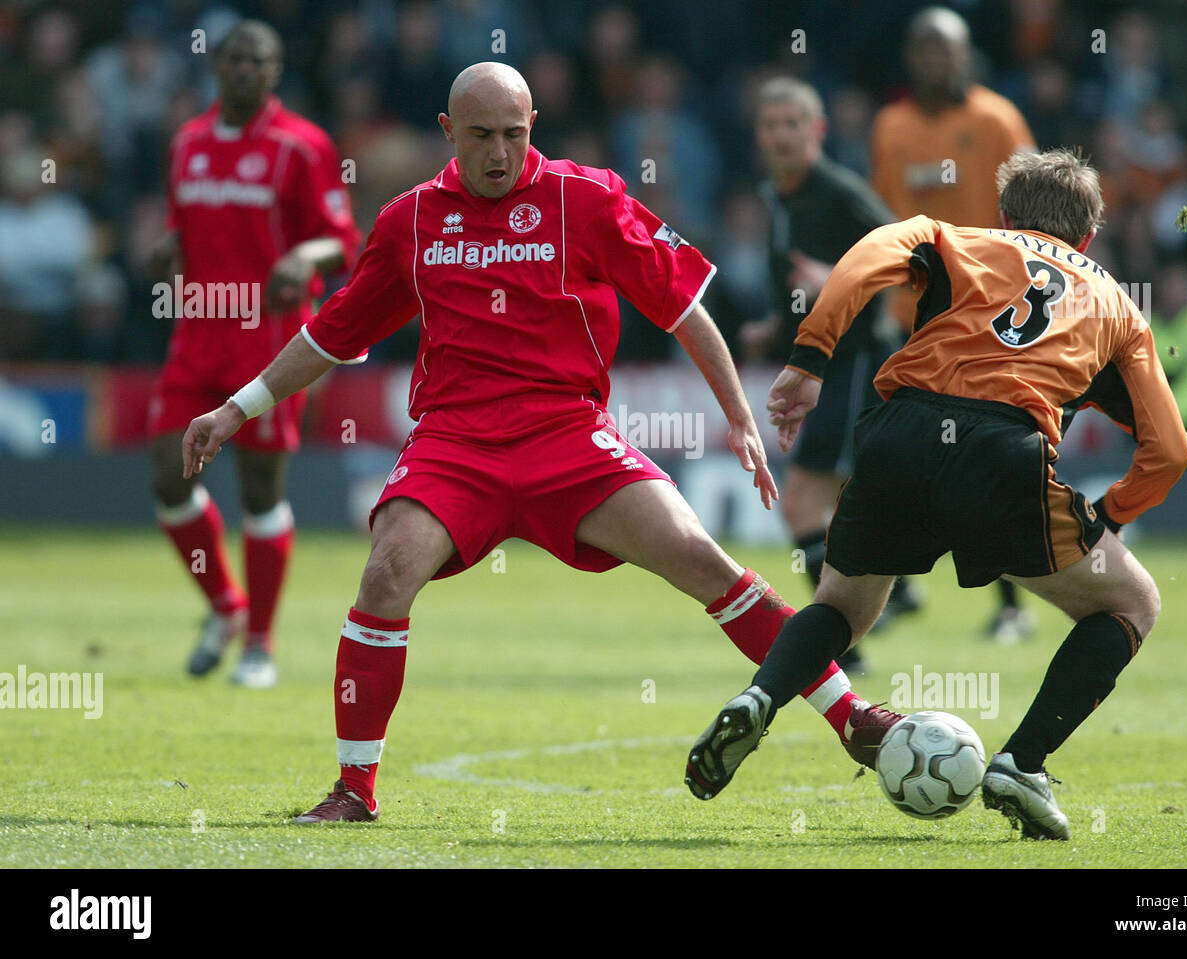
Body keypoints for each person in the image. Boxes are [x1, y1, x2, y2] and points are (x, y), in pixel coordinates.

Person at [181, 62, 900, 823]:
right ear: (448, 133)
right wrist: (235, 409)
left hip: (568, 434)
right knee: (386, 573)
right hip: (454, 440)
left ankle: (852, 717)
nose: (500, 152)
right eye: (483, 135)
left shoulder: (585, 198)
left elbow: (683, 307)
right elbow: (333, 331)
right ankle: (354, 790)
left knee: (700, 556)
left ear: (534, 128)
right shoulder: (410, 220)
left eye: (515, 134)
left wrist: (740, 416)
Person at [684, 149, 1187, 840]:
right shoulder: (1117, 305)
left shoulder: (956, 237)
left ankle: (760, 696)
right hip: (1005, 454)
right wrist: (1109, 515)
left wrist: (810, 358)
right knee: (1134, 601)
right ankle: (1022, 761)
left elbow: (867, 255)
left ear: (1006, 215)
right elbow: (1170, 449)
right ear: (1087, 238)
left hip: (899, 429)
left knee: (840, 606)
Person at [147, 21, 359, 689]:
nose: (243, 70)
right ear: (217, 65)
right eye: (234, 58)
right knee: (167, 477)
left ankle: (260, 643)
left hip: (268, 343)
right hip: (197, 336)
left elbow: (342, 239)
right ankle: (225, 605)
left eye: (257, 61)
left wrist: (303, 254)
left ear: (274, 72)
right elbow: (190, 222)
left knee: (260, 490)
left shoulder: (303, 146)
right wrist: (171, 247)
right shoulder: (188, 142)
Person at [871, 5, 1039, 642]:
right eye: (923, 49)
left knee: (987, 457)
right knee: (894, 453)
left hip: (985, 316)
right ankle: (899, 586)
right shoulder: (890, 126)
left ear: (966, 55)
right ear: (911, 58)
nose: (934, 59)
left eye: (946, 48)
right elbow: (883, 213)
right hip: (907, 316)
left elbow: (1034, 209)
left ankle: (1012, 605)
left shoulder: (997, 119)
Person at [742, 78, 916, 672]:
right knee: (848, 499)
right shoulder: (779, 199)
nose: (781, 134)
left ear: (816, 131)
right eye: (771, 124)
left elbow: (909, 251)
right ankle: (891, 595)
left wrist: (836, 276)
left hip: (855, 360)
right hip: (821, 362)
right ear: (759, 135)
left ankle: (845, 642)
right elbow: (796, 285)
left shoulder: (840, 193)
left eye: (793, 123)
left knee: (800, 502)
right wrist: (775, 324)